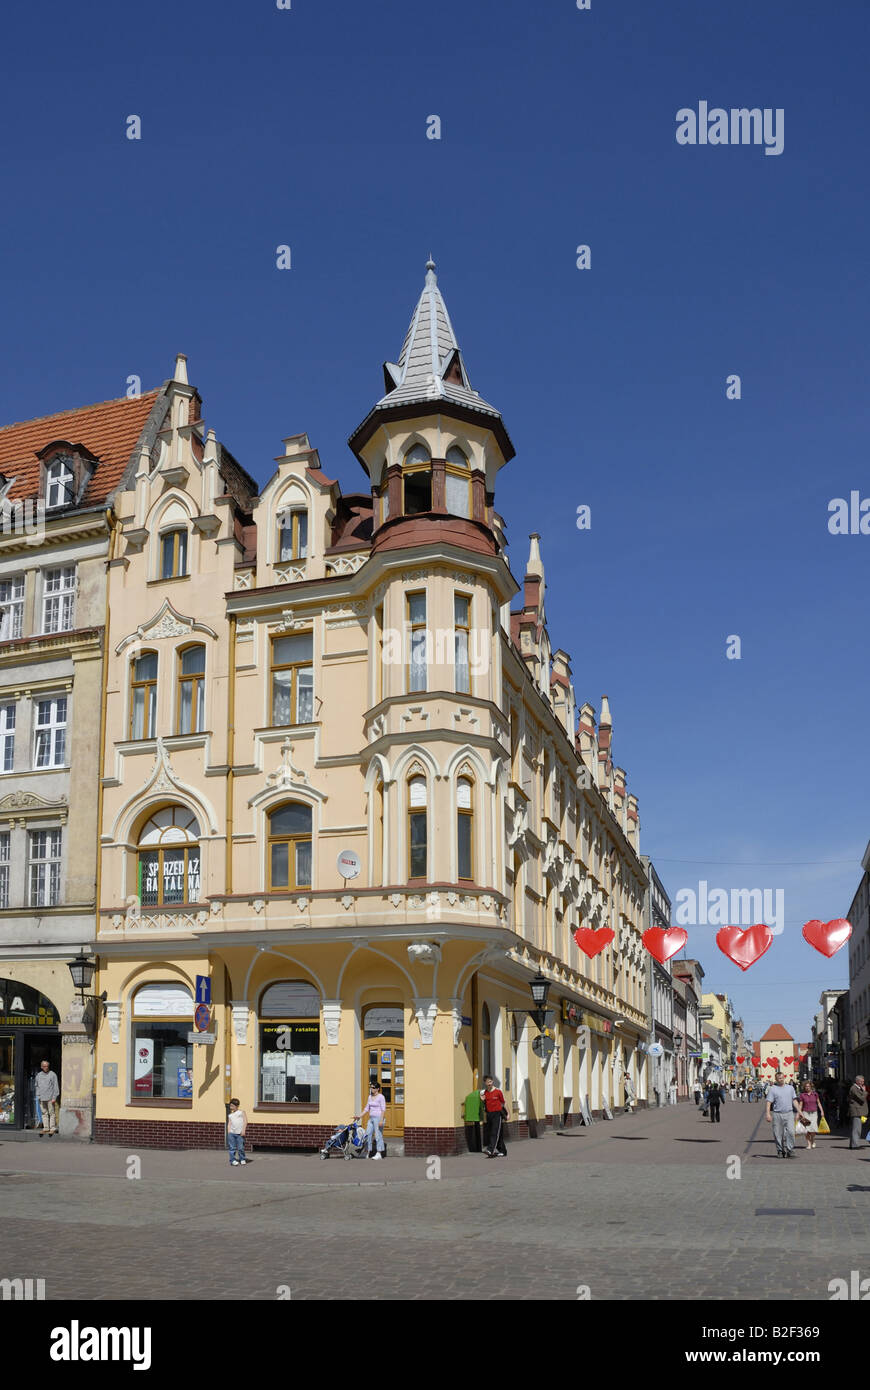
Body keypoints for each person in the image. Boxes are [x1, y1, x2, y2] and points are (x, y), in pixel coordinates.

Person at [766, 1071, 799, 1158]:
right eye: (778, 1078)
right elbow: (769, 1102)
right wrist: (768, 1114)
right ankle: (780, 1150)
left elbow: (794, 1100)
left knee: (791, 1132)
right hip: (777, 1114)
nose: (780, 1080)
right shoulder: (773, 1089)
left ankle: (790, 1150)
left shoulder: (790, 1088)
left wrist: (799, 1111)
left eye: (782, 1078)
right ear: (776, 1079)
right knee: (778, 1134)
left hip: (789, 1113)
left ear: (784, 1078)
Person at [358, 1081, 387, 1159]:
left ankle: (379, 1153)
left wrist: (381, 1120)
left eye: (373, 1087)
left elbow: (383, 1109)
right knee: (368, 1135)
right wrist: (359, 1116)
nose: (371, 1089)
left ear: (377, 1089)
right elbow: (367, 1108)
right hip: (371, 1118)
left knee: (378, 1135)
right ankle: (368, 1152)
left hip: (378, 1119)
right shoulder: (370, 1097)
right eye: (371, 1087)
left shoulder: (381, 1097)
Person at [481, 1075, 507, 1158]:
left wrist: (508, 1114)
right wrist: (482, 1100)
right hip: (489, 1114)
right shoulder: (484, 1093)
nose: (489, 1083)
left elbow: (503, 1103)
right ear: (485, 1083)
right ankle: (502, 1151)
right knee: (495, 1133)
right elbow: (484, 1105)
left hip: (497, 1114)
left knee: (494, 1132)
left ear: (492, 1081)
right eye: (487, 1082)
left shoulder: (498, 1092)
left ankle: (490, 1150)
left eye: (490, 1082)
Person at [796, 1080, 824, 1152]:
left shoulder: (815, 1094)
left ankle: (813, 1140)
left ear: (811, 1087)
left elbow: (818, 1103)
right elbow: (800, 1105)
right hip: (805, 1113)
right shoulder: (802, 1095)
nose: (807, 1088)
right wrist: (798, 1113)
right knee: (807, 1130)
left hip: (814, 1113)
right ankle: (809, 1144)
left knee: (813, 1129)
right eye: (806, 1087)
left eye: (808, 1086)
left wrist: (822, 1111)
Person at [35, 1060, 59, 1136]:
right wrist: (38, 1095)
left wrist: (54, 1097)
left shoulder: (52, 1074)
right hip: (41, 1097)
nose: (46, 1068)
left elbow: (56, 1087)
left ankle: (52, 1128)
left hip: (50, 1097)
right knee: (44, 1113)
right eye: (44, 1066)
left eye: (47, 1066)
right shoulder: (39, 1075)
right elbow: (37, 1086)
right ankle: (46, 1128)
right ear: (41, 1067)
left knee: (51, 1113)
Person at [848, 1076, 868, 1150]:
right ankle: (855, 1145)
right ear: (857, 1081)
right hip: (857, 1111)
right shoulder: (854, 1088)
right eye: (862, 1081)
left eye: (863, 1081)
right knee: (857, 1129)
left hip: (860, 1111)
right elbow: (861, 1099)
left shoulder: (858, 1088)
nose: (863, 1083)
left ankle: (853, 1144)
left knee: (856, 1128)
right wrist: (865, 1091)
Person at [462, 1085, 483, 1152]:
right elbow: (482, 1107)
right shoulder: (478, 1096)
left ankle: (473, 1149)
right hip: (476, 1118)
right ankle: (478, 1149)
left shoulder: (469, 1097)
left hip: (469, 1118)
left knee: (471, 1135)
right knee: (477, 1134)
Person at [227, 1098, 247, 1166]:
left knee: (241, 1147)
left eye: (232, 1105)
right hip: (232, 1134)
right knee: (232, 1148)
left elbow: (245, 1121)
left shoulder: (241, 1112)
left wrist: (243, 1130)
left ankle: (242, 1159)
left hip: (240, 1134)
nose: (231, 1107)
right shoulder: (230, 1115)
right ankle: (232, 1160)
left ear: (237, 1106)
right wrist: (229, 1131)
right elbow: (229, 1124)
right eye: (230, 1105)